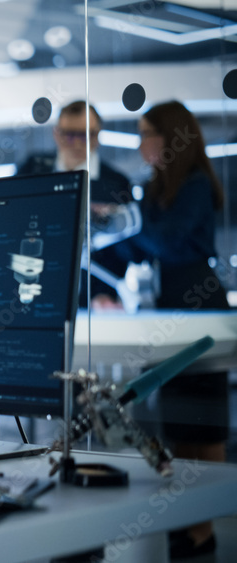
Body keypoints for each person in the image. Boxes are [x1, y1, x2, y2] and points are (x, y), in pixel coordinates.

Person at [116, 100, 229, 559]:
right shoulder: (155, 189)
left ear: (170, 137)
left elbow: (168, 242)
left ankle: (201, 530)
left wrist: (129, 220)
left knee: (204, 426)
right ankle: (188, 523)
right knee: (180, 427)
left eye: (147, 133)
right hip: (169, 313)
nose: (141, 143)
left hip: (200, 310)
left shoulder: (196, 185)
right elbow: (141, 251)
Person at [18, 100, 134, 309]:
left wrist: (105, 292)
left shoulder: (117, 184)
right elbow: (14, 224)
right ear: (56, 134)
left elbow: (124, 246)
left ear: (98, 136)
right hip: (35, 290)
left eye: (86, 135)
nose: (78, 143)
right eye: (69, 135)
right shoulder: (32, 171)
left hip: (97, 300)